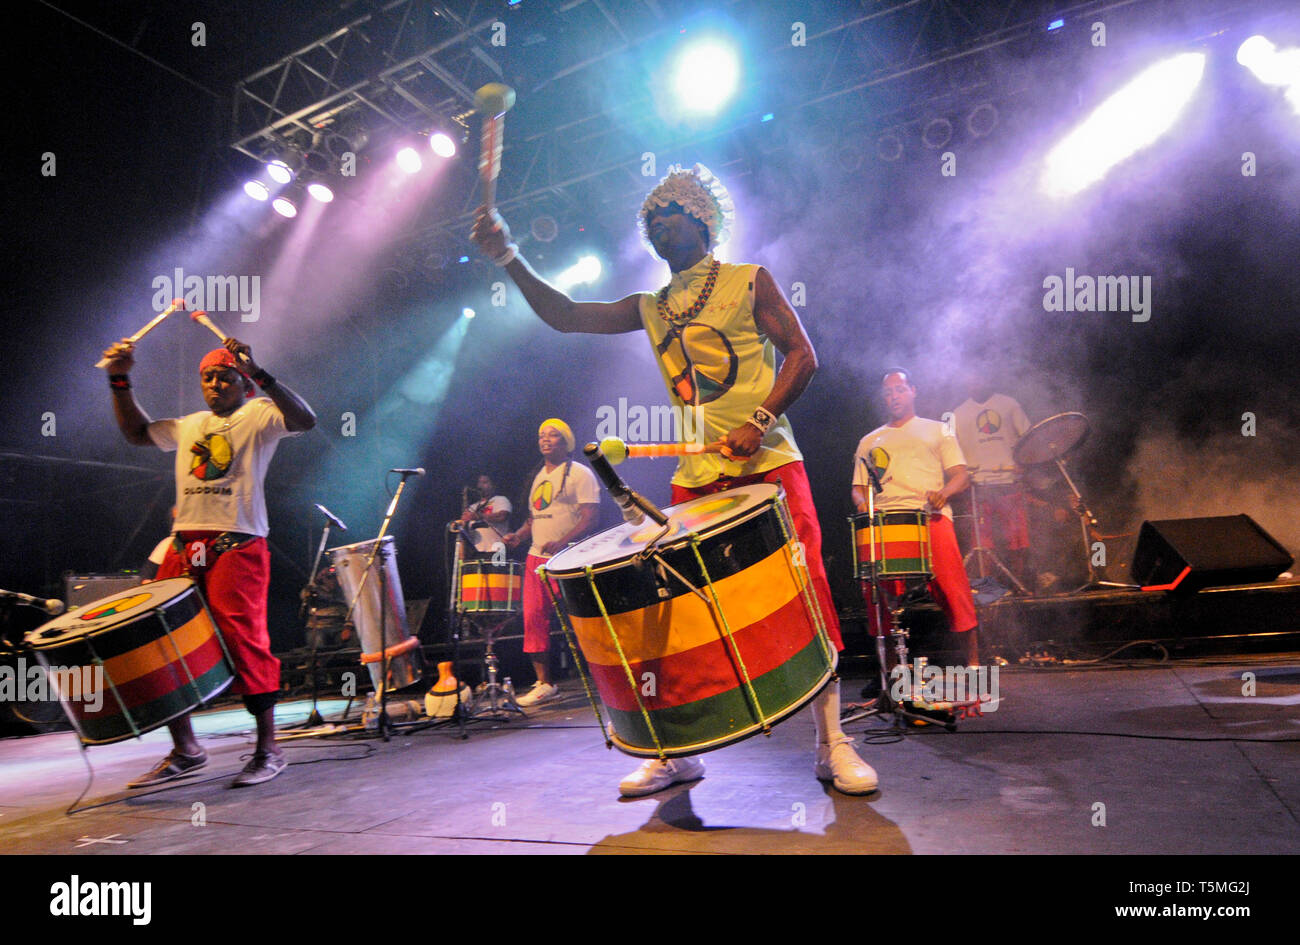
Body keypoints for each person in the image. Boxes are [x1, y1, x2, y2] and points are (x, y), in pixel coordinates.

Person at [472, 164, 877, 797]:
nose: (658, 221)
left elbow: (803, 354)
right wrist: (510, 259)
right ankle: (677, 751)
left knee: (806, 589)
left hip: (767, 464)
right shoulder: (651, 307)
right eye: (651, 217)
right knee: (673, 614)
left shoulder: (750, 281)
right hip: (695, 477)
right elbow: (567, 316)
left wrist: (761, 417)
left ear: (704, 220)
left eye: (672, 211)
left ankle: (833, 742)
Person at [102, 336, 316, 787]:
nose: (215, 384)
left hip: (236, 543)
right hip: (185, 545)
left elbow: (305, 419)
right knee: (163, 638)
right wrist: (119, 379)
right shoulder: (189, 424)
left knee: (243, 640)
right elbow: (136, 433)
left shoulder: (256, 415)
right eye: (208, 377)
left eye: (225, 377)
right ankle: (186, 748)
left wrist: (259, 371)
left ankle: (269, 750)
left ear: (244, 385)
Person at [852, 369, 979, 669]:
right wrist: (864, 507)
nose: (893, 396)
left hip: (929, 517)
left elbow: (961, 475)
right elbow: (858, 490)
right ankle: (894, 672)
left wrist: (943, 493)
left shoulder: (938, 430)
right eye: (888, 392)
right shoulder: (869, 441)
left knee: (954, 590)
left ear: (913, 391)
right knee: (877, 593)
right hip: (886, 524)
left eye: (899, 389)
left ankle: (974, 667)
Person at [502, 419, 599, 707]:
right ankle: (545, 684)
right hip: (536, 560)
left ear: (565, 442)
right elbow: (535, 518)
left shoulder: (580, 474)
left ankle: (606, 674)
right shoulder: (538, 476)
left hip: (569, 558)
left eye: (553, 435)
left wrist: (563, 541)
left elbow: (590, 517)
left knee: (584, 620)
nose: (545, 440)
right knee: (533, 620)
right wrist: (518, 536)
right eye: (541, 435)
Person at [950, 376, 1034, 591]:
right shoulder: (957, 414)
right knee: (981, 544)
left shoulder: (1009, 404)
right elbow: (950, 451)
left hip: (1009, 483)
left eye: (979, 377)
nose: (975, 383)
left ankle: (1020, 587)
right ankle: (988, 591)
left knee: (1018, 540)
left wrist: (1024, 463)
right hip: (978, 487)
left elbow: (1030, 438)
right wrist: (961, 475)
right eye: (970, 379)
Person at [459, 473, 512, 556]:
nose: (480, 486)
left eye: (485, 482)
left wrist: (478, 516)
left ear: (493, 485)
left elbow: (502, 516)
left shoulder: (500, 500)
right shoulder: (473, 506)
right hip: (475, 552)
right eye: (479, 483)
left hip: (496, 550)